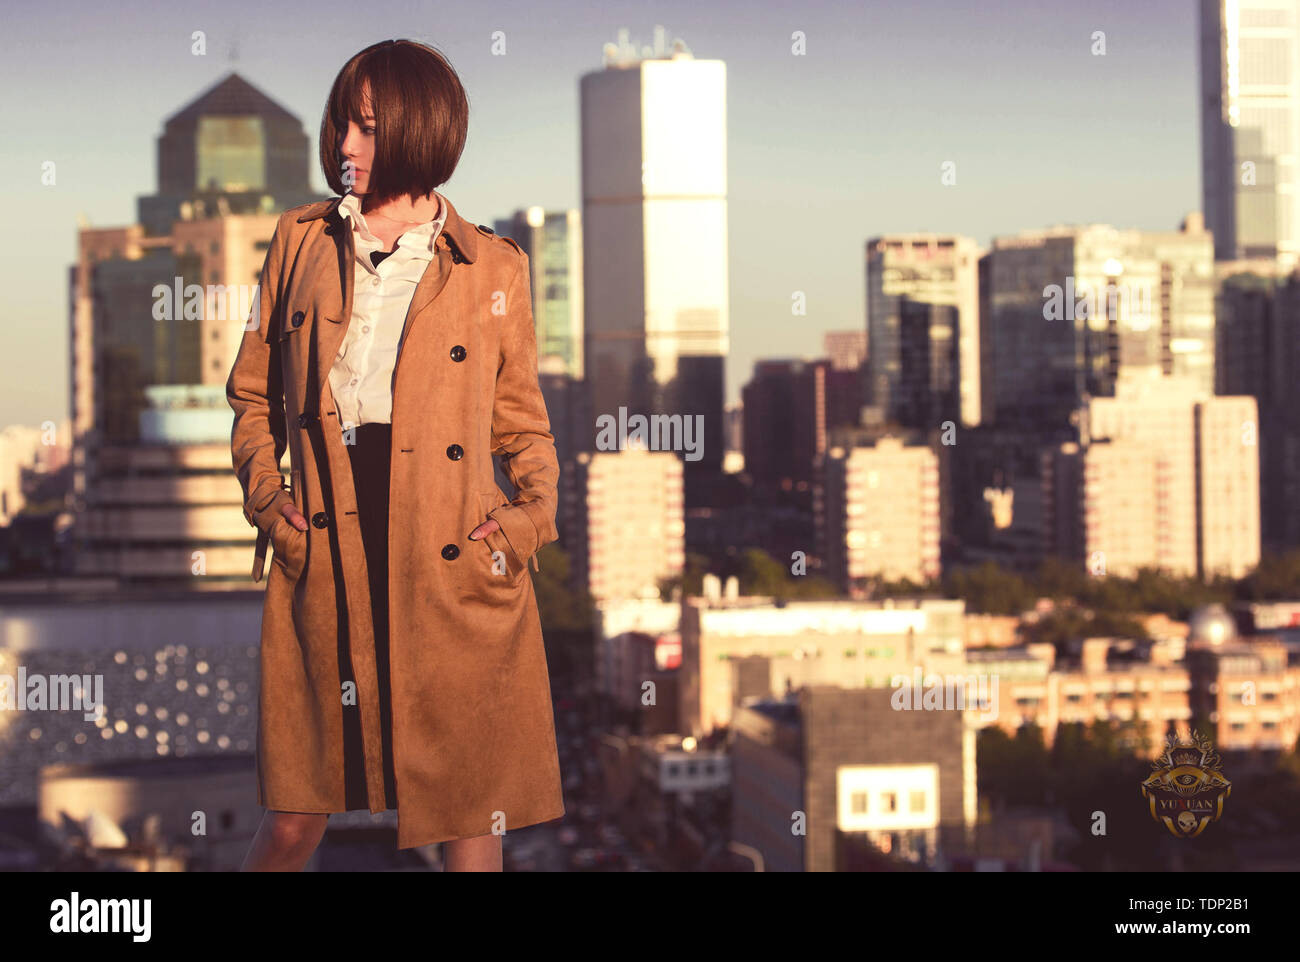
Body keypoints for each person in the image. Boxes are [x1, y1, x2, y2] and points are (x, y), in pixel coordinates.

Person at [227, 39, 564, 872]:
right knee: (297, 815)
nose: (345, 144)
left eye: (368, 127)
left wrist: (521, 529)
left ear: (420, 129)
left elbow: (522, 426)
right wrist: (271, 503)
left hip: (451, 550)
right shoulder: (300, 241)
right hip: (327, 541)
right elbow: (252, 393)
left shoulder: (494, 264)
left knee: (467, 817)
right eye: (344, 122)